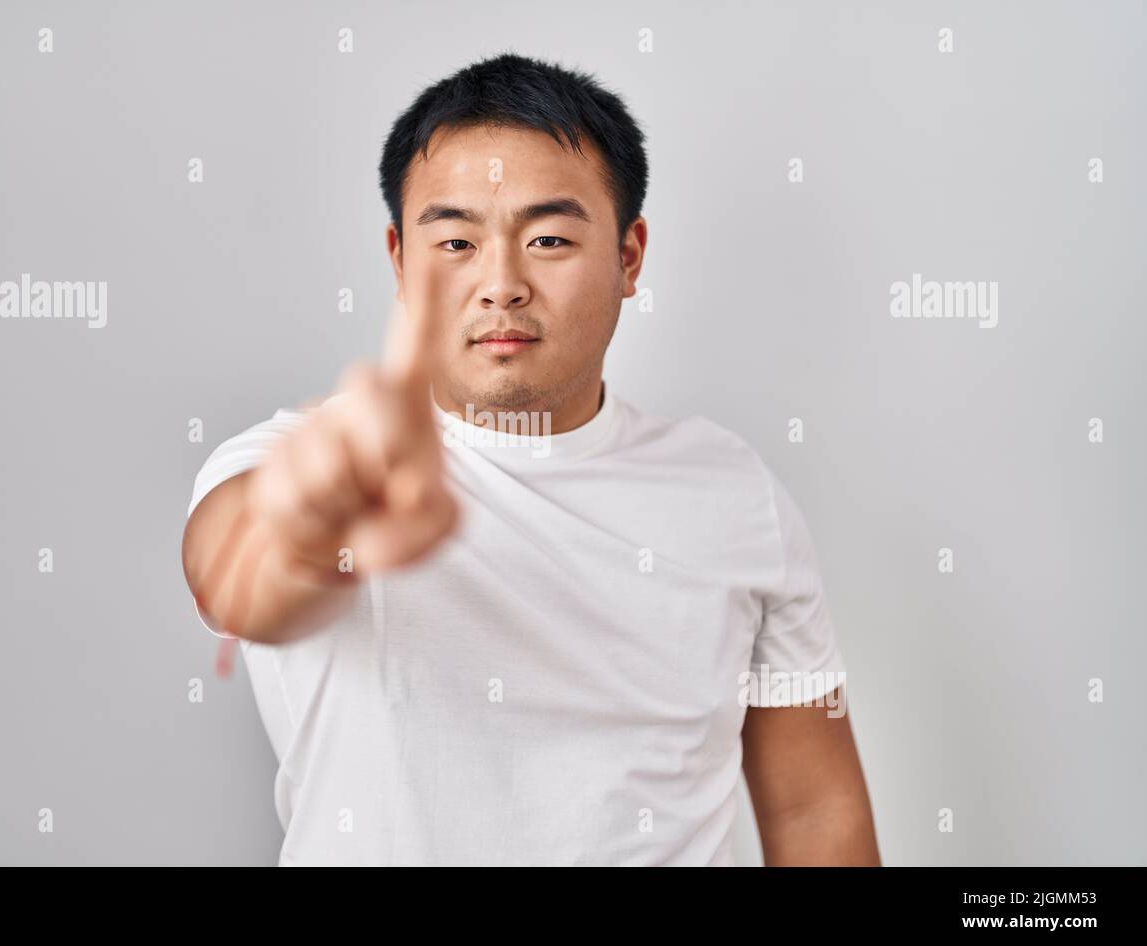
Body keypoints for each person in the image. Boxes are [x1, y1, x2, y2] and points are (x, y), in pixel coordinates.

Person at [181, 52, 879, 866]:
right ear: (400, 261)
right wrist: (320, 518)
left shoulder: (735, 493)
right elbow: (243, 576)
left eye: (548, 237)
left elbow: (814, 813)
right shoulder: (296, 456)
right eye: (455, 241)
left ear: (629, 257)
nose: (501, 284)